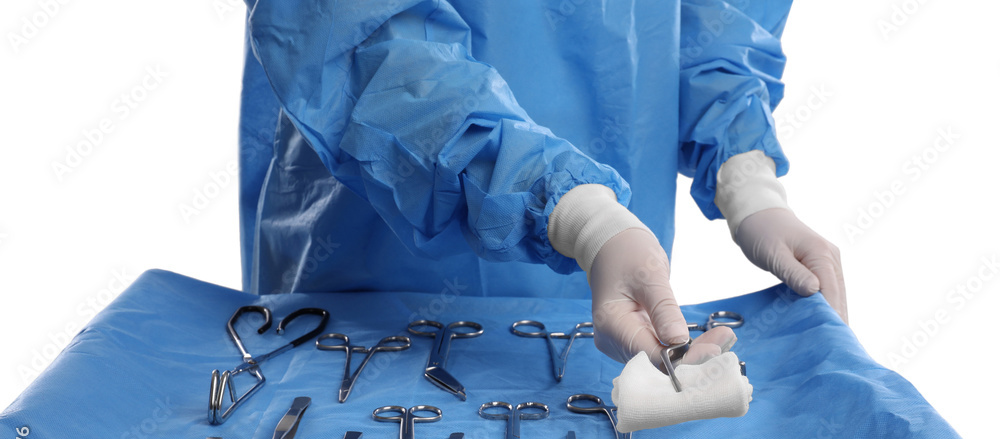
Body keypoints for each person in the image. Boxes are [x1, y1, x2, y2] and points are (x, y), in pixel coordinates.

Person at [237, 1, 846, 367]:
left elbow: (709, 20)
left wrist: (747, 178)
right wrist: (580, 216)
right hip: (377, 275)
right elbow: (363, 41)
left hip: (610, 272)